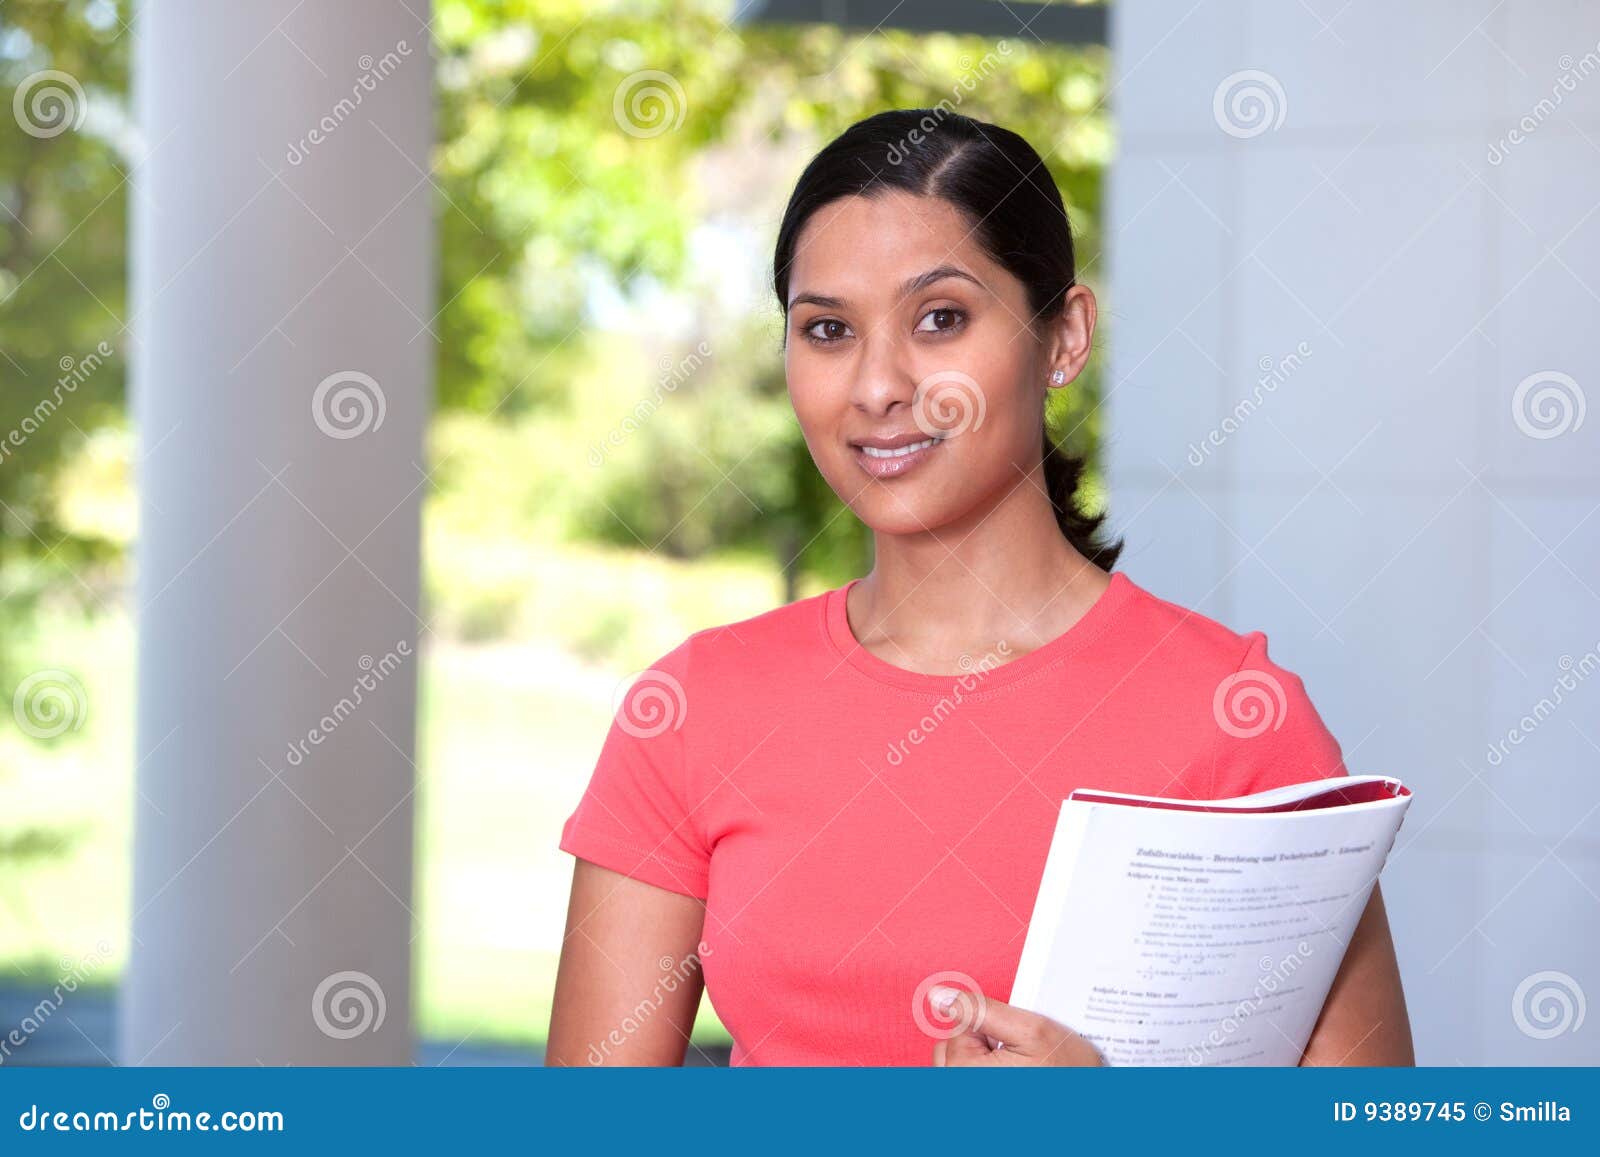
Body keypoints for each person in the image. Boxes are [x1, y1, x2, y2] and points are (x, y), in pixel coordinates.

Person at [546, 108, 1412, 1067]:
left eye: (941, 319)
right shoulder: (692, 711)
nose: (878, 384)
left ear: (1064, 337)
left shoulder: (1237, 722)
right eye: (828, 329)